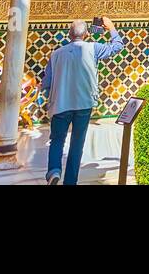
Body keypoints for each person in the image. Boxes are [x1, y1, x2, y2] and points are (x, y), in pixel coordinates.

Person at [41, 17, 126, 185]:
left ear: (69, 35)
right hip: (83, 104)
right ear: (87, 34)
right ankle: (70, 181)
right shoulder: (93, 48)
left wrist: (53, 93)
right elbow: (118, 46)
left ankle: (54, 171)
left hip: (60, 104)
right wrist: (111, 28)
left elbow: (46, 82)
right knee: (77, 143)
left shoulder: (56, 54)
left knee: (57, 139)